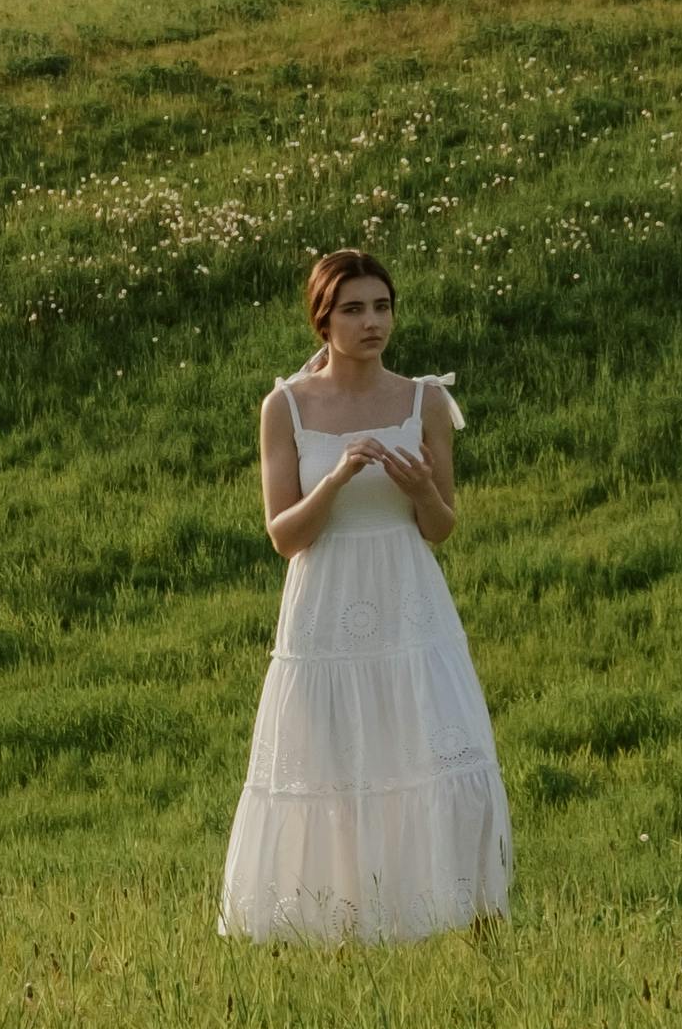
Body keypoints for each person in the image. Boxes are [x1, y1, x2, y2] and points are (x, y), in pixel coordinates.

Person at [219, 247, 512, 943]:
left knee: (437, 751)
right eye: (353, 309)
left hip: (410, 599)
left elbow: (440, 526)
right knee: (332, 766)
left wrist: (417, 490)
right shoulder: (285, 405)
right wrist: (337, 479)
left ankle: (447, 915)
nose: (371, 321)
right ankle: (336, 922)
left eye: (381, 306)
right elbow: (284, 535)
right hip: (325, 603)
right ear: (323, 319)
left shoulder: (425, 400)